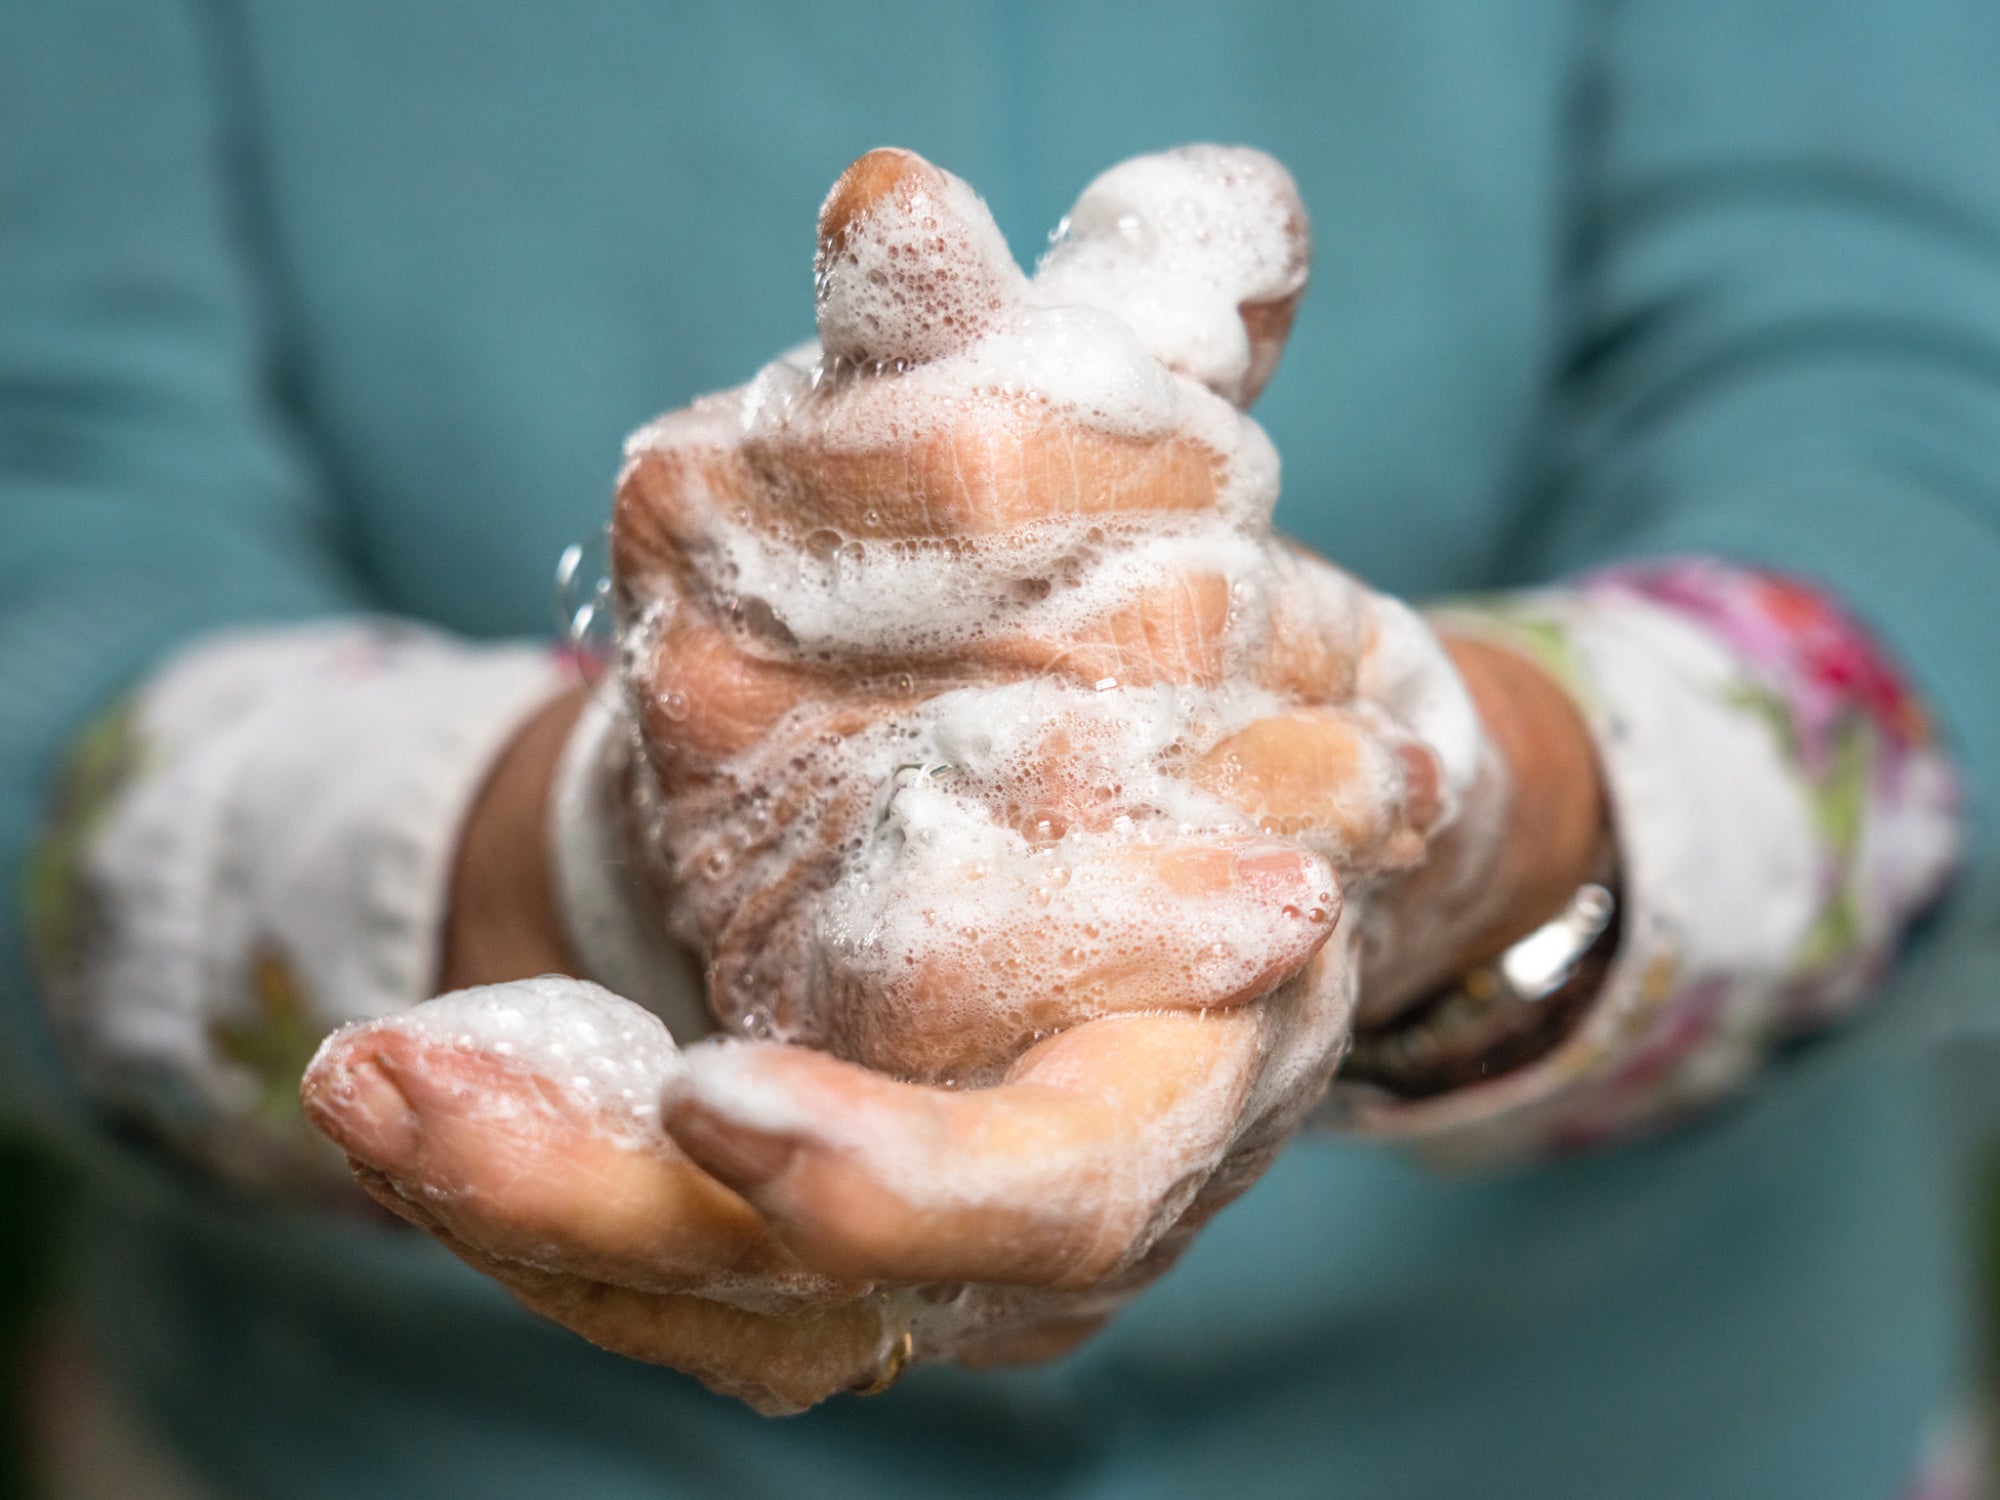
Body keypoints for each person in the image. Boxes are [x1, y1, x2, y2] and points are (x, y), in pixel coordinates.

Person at [3, 2, 1995, 1496]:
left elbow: (1912, 400)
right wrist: (633, 860)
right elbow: (54, 524)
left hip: (1659, 1429)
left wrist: (1455, 800)